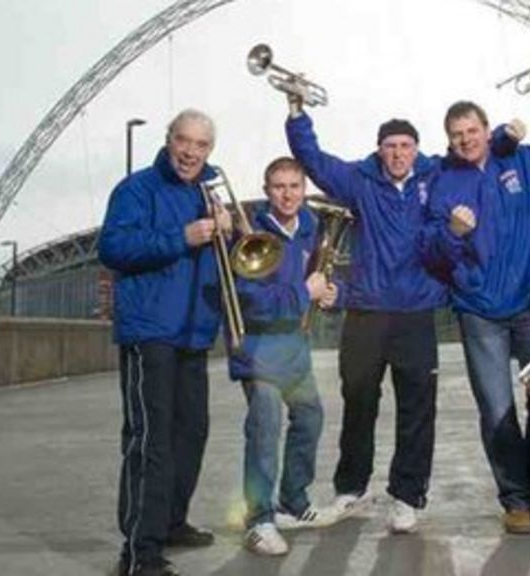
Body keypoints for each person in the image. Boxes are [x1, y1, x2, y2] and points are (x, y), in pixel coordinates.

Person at [285, 92, 454, 534]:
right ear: (380, 149)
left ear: (417, 150)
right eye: (390, 146)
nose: (398, 153)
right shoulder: (359, 180)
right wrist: (297, 113)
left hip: (416, 313)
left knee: (418, 407)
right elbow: (313, 160)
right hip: (365, 312)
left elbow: (477, 149)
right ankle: (350, 488)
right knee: (359, 401)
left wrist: (509, 135)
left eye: (405, 146)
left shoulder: (435, 176)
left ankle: (407, 495)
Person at [421, 74, 530, 535]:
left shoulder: (521, 161)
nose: (466, 140)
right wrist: (453, 233)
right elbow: (430, 249)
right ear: (448, 140)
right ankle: (516, 500)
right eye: (456, 135)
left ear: (486, 129)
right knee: (496, 409)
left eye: (472, 131)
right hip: (479, 310)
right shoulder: (442, 182)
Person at [99, 109, 229, 576]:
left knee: (191, 432)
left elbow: (228, 263)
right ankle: (139, 553)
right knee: (150, 441)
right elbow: (113, 247)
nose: (191, 152)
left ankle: (171, 522)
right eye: (184, 141)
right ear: (169, 139)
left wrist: (229, 236)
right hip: (149, 329)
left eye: (201, 145)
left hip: (193, 331)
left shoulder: (210, 192)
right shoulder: (136, 189)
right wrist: (183, 236)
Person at [229, 157, 339, 556]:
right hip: (258, 351)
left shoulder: (312, 227)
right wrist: (303, 294)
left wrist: (329, 294)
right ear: (266, 189)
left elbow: (318, 281)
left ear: (304, 188)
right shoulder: (250, 234)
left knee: (310, 418)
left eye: (294, 186)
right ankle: (258, 520)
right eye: (279, 186)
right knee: (265, 428)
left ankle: (293, 501)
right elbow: (252, 301)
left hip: (294, 350)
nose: (287, 194)